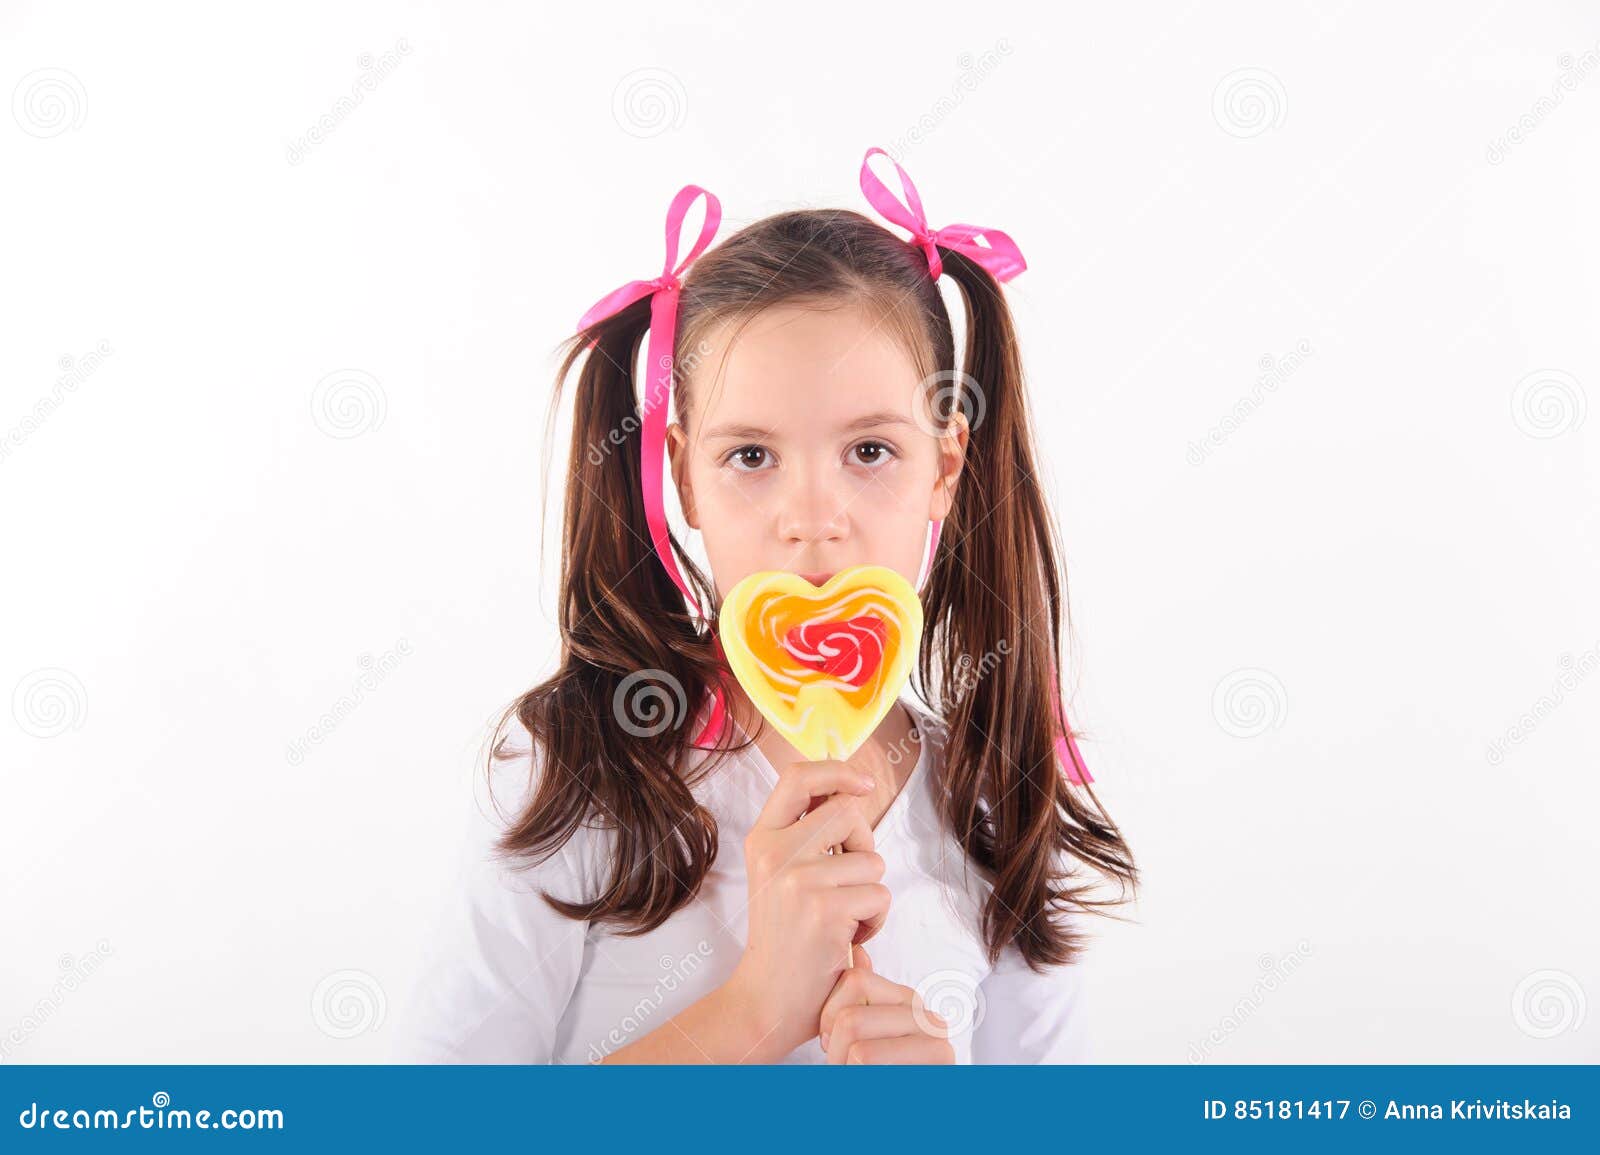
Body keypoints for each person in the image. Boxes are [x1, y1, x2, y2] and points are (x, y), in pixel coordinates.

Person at [391, 148, 1139, 1064]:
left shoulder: (999, 810)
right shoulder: (572, 776)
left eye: (870, 451)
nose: (812, 519)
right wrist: (753, 1013)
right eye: (750, 456)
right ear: (683, 478)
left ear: (946, 466)